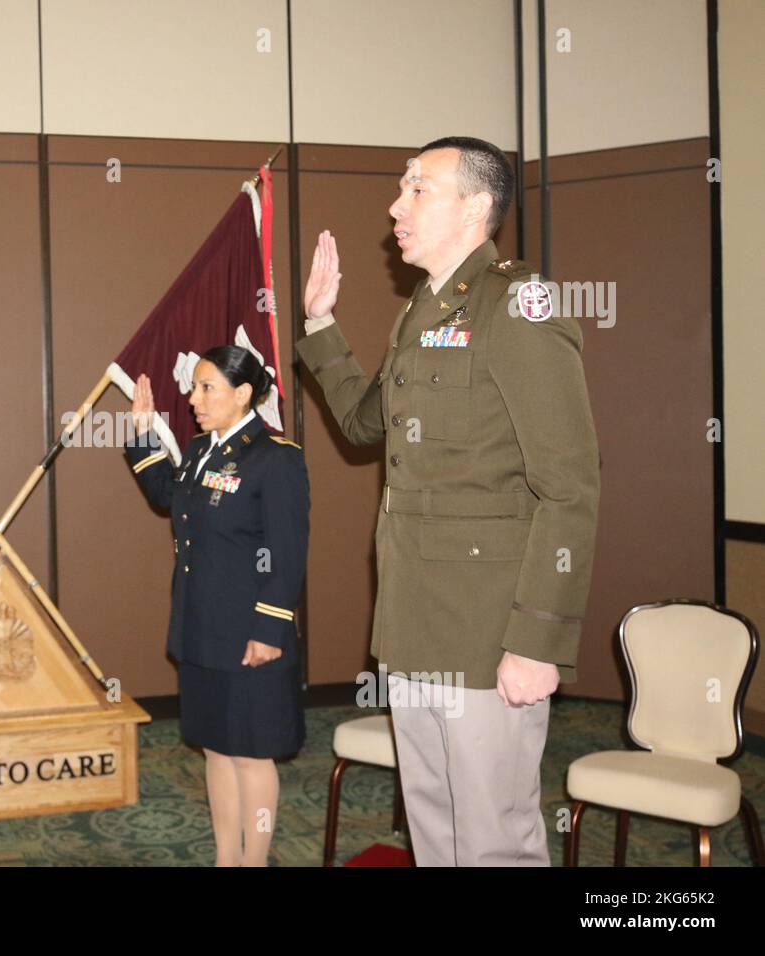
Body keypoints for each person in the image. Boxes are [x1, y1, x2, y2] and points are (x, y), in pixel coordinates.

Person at [295, 136, 601, 866]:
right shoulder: (422, 311)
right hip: (414, 624)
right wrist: (319, 324)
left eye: (418, 189)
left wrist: (537, 641)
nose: (395, 208)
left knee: (495, 840)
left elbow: (571, 485)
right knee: (433, 829)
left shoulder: (517, 307)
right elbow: (366, 424)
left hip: (490, 634)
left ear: (476, 206)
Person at [124, 345, 310, 866]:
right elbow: (167, 494)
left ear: (243, 393)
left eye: (207, 388)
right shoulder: (204, 450)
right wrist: (142, 433)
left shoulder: (276, 458)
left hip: (251, 636)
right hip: (202, 629)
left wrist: (270, 631)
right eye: (194, 387)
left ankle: (255, 862)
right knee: (216, 748)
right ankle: (228, 860)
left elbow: (288, 552)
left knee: (252, 756)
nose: (193, 398)